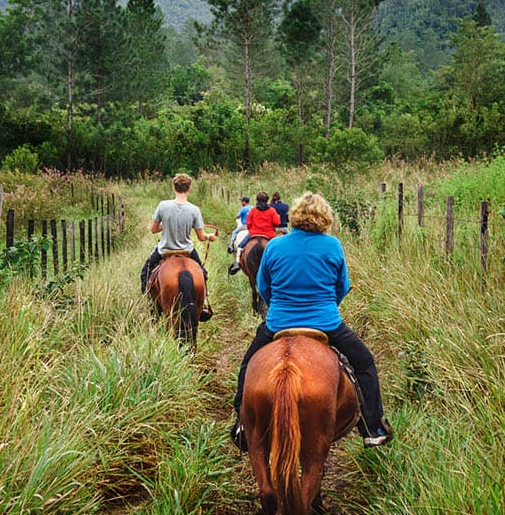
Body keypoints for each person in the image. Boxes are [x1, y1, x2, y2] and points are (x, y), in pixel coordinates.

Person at [229, 192, 393, 450]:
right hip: (326, 323)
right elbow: (342, 287)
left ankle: (241, 423)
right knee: (364, 363)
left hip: (278, 322)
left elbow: (263, 287)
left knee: (248, 364)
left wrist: (280, 306)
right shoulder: (333, 245)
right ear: (324, 217)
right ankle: (372, 427)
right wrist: (326, 307)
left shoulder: (275, 245)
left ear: (294, 216)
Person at [140, 173, 218, 320]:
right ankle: (204, 303)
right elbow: (201, 237)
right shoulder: (194, 209)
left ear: (174, 188)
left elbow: (153, 229)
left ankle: (150, 305)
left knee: (145, 273)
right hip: (187, 250)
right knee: (203, 273)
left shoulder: (163, 206)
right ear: (189, 189)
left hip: (164, 250)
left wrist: (166, 225)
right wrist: (210, 237)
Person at [228, 190, 279, 275]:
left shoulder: (254, 210)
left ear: (257, 200)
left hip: (253, 234)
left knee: (240, 247)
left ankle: (237, 263)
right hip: (269, 235)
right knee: (278, 249)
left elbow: (248, 224)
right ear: (267, 200)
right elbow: (277, 222)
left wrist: (254, 229)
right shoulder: (272, 210)